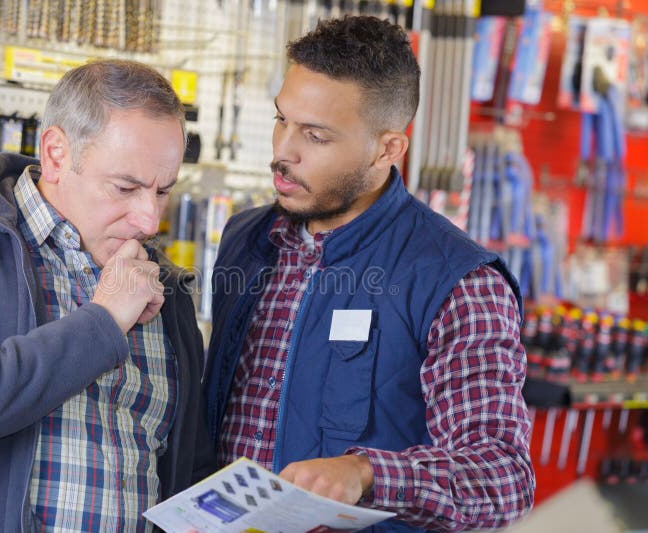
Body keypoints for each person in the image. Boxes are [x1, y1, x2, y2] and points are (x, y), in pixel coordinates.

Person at [204, 16, 534, 533]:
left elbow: (501, 480)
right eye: (281, 119)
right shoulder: (246, 239)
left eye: (314, 136)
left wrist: (366, 472)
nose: (282, 152)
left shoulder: (458, 283)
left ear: (387, 149)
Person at [0, 59, 214, 532]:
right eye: (126, 187)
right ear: (55, 154)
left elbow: (184, 473)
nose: (148, 220)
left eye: (162, 191)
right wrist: (103, 322)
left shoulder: (164, 292)